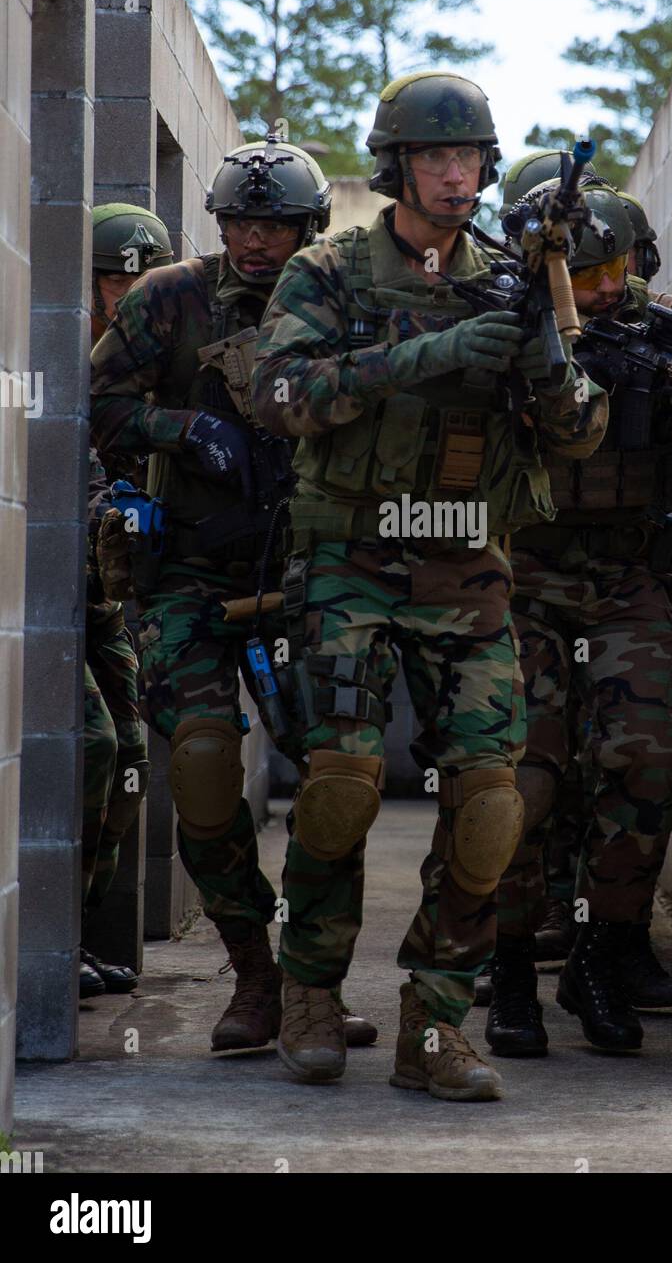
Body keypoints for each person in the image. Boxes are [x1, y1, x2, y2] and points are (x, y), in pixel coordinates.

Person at [251, 71, 608, 1100]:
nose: (456, 175)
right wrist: (428, 350)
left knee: (492, 801)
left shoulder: (515, 274)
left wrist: (541, 355)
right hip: (349, 559)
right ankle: (309, 993)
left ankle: (435, 1022)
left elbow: (576, 430)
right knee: (338, 786)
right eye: (436, 158)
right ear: (396, 166)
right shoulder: (329, 270)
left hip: (467, 566)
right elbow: (279, 394)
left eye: (470, 160)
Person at [91, 140, 376, 1052]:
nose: (255, 241)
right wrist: (182, 429)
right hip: (190, 579)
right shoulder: (168, 297)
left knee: (338, 782)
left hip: (313, 578)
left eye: (276, 225)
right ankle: (253, 972)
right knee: (205, 771)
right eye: (240, 223)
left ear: (308, 227)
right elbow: (95, 401)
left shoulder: (345, 298)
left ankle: (314, 987)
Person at [486, 182, 672, 1056]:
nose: (602, 288)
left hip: (631, 571)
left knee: (639, 756)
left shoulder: (670, 328)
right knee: (526, 776)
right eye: (584, 270)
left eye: (616, 268)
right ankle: (515, 967)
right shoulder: (504, 321)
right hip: (524, 571)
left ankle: (604, 955)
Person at [80, 205, 174, 998]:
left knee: (134, 754)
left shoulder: (152, 365)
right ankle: (50, 937)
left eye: (141, 280)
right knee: (92, 746)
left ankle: (70, 931)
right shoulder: (51, 354)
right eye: (114, 278)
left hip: (103, 599)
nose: (126, 295)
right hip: (47, 603)